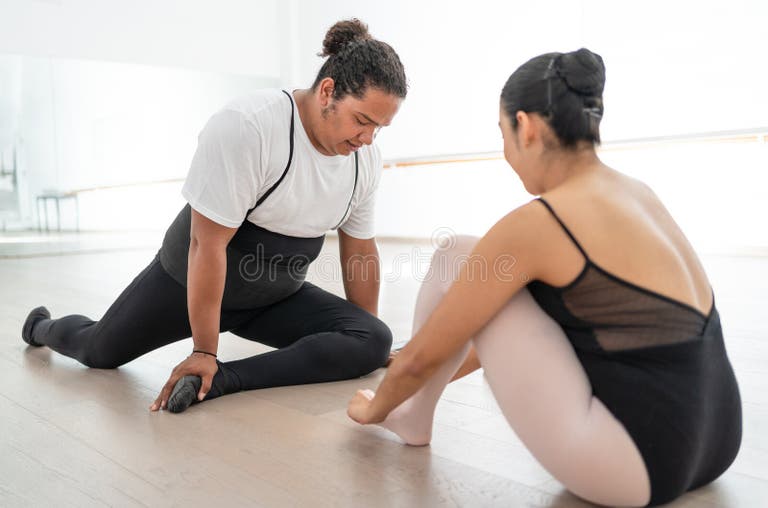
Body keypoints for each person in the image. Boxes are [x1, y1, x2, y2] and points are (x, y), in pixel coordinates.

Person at [347, 48, 741, 507]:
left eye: (503, 133)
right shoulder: (638, 193)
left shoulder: (541, 223)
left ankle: (409, 414)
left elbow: (420, 357)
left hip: (637, 467)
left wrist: (376, 407)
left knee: (457, 253)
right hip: (719, 440)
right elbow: (490, 336)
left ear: (526, 127)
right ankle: (414, 412)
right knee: (490, 276)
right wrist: (428, 378)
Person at [21, 18, 407, 414]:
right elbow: (207, 243)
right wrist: (204, 349)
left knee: (374, 340)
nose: (368, 139)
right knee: (98, 350)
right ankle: (41, 328)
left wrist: (365, 335)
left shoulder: (364, 161)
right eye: (362, 121)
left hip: (274, 294)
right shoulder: (250, 125)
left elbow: (360, 250)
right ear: (328, 92)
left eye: (379, 128)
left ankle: (226, 379)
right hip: (184, 282)